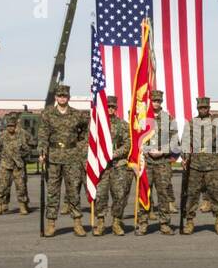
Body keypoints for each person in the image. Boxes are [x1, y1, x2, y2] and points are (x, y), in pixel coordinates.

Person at [37, 84, 89, 237]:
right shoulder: (48, 114)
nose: (62, 98)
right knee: (53, 191)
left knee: (73, 191)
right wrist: (42, 151)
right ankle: (51, 223)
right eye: (59, 96)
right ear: (56, 98)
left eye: (64, 96)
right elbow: (43, 134)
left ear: (68, 98)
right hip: (53, 157)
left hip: (72, 156)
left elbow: (85, 130)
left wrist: (80, 145)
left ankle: (77, 223)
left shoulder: (77, 115)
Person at [181, 96, 218, 235]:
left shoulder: (217, 122)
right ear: (197, 109)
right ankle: (189, 221)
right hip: (195, 166)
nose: (202, 110)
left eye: (205, 108)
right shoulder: (191, 124)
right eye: (200, 108)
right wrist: (184, 157)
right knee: (192, 195)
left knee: (216, 194)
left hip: (213, 166)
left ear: (209, 108)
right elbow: (185, 142)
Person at [136, 90, 178, 234]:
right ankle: (143, 223)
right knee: (144, 193)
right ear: (150, 101)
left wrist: (162, 151)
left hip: (163, 162)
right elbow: (137, 138)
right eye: (154, 100)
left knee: (163, 194)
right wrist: (146, 149)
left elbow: (174, 141)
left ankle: (164, 223)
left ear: (162, 102)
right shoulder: (143, 118)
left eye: (159, 101)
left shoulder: (169, 118)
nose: (156, 103)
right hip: (146, 162)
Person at [93, 96, 131, 235]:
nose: (110, 109)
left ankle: (116, 222)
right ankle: (101, 222)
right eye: (108, 106)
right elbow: (90, 143)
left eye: (113, 107)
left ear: (116, 108)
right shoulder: (97, 124)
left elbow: (128, 144)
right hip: (101, 166)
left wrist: (114, 154)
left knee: (119, 195)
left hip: (118, 165)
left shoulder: (123, 125)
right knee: (101, 195)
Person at [0, 113, 32, 215]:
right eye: (9, 126)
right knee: (3, 186)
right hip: (5, 165)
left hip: (18, 166)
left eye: (12, 126)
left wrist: (20, 156)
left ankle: (22, 206)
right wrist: (4, 156)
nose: (11, 128)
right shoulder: (2, 136)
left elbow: (27, 149)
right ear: (7, 127)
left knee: (21, 187)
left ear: (15, 127)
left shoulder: (20, 137)